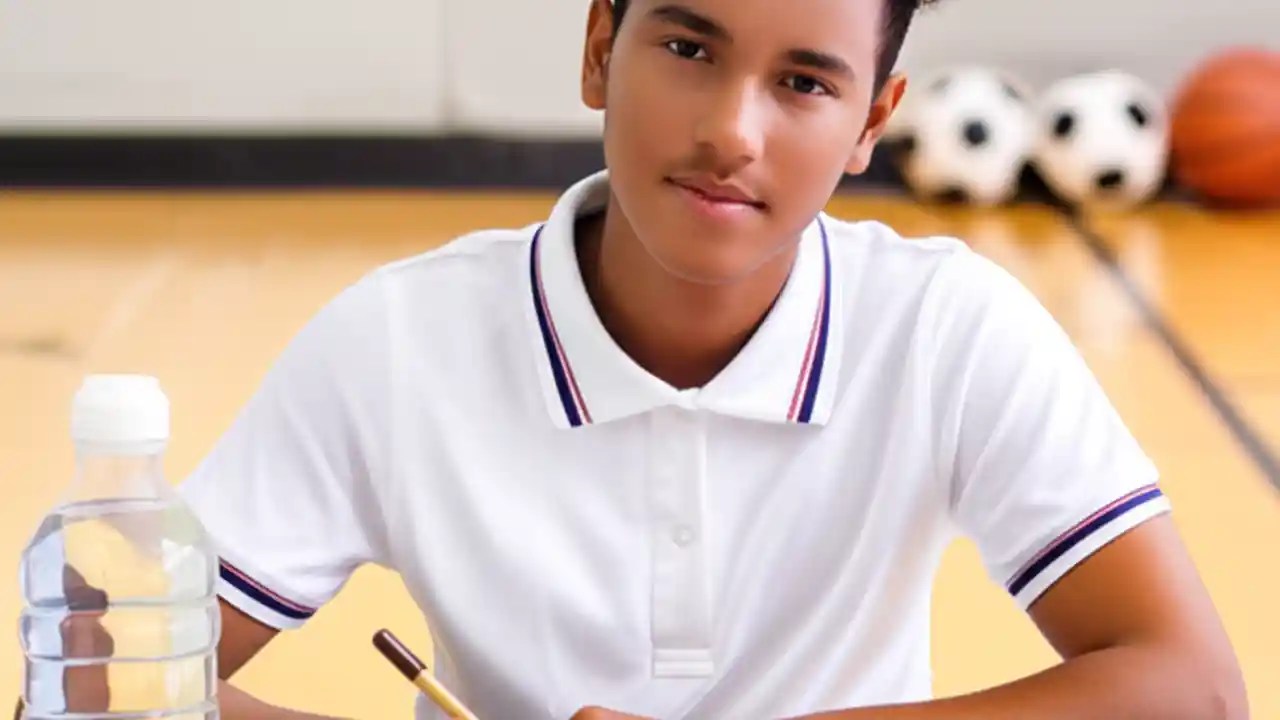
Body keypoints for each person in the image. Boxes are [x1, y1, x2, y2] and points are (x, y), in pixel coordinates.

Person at [181, 0, 1248, 718]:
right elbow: (91, 680)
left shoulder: (945, 328)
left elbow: (1188, 687)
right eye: (689, 50)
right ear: (600, 46)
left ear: (874, 119)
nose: (732, 132)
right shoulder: (397, 343)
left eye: (802, 84)